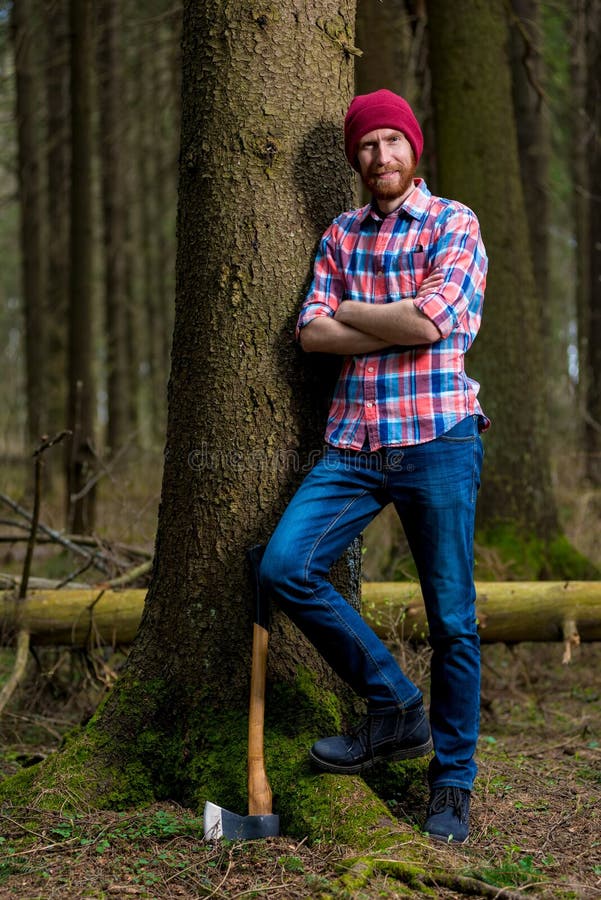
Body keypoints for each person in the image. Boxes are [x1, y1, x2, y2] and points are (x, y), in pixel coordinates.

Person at [260, 89, 488, 843]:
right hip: (353, 444)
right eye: (366, 145)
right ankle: (394, 705)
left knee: (452, 621)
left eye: (392, 141)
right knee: (284, 567)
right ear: (354, 158)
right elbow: (311, 335)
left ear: (412, 148)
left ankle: (451, 784)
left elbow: (432, 321)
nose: (379, 155)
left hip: (439, 437)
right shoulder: (340, 233)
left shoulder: (453, 223)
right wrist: (394, 319)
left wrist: (355, 312)